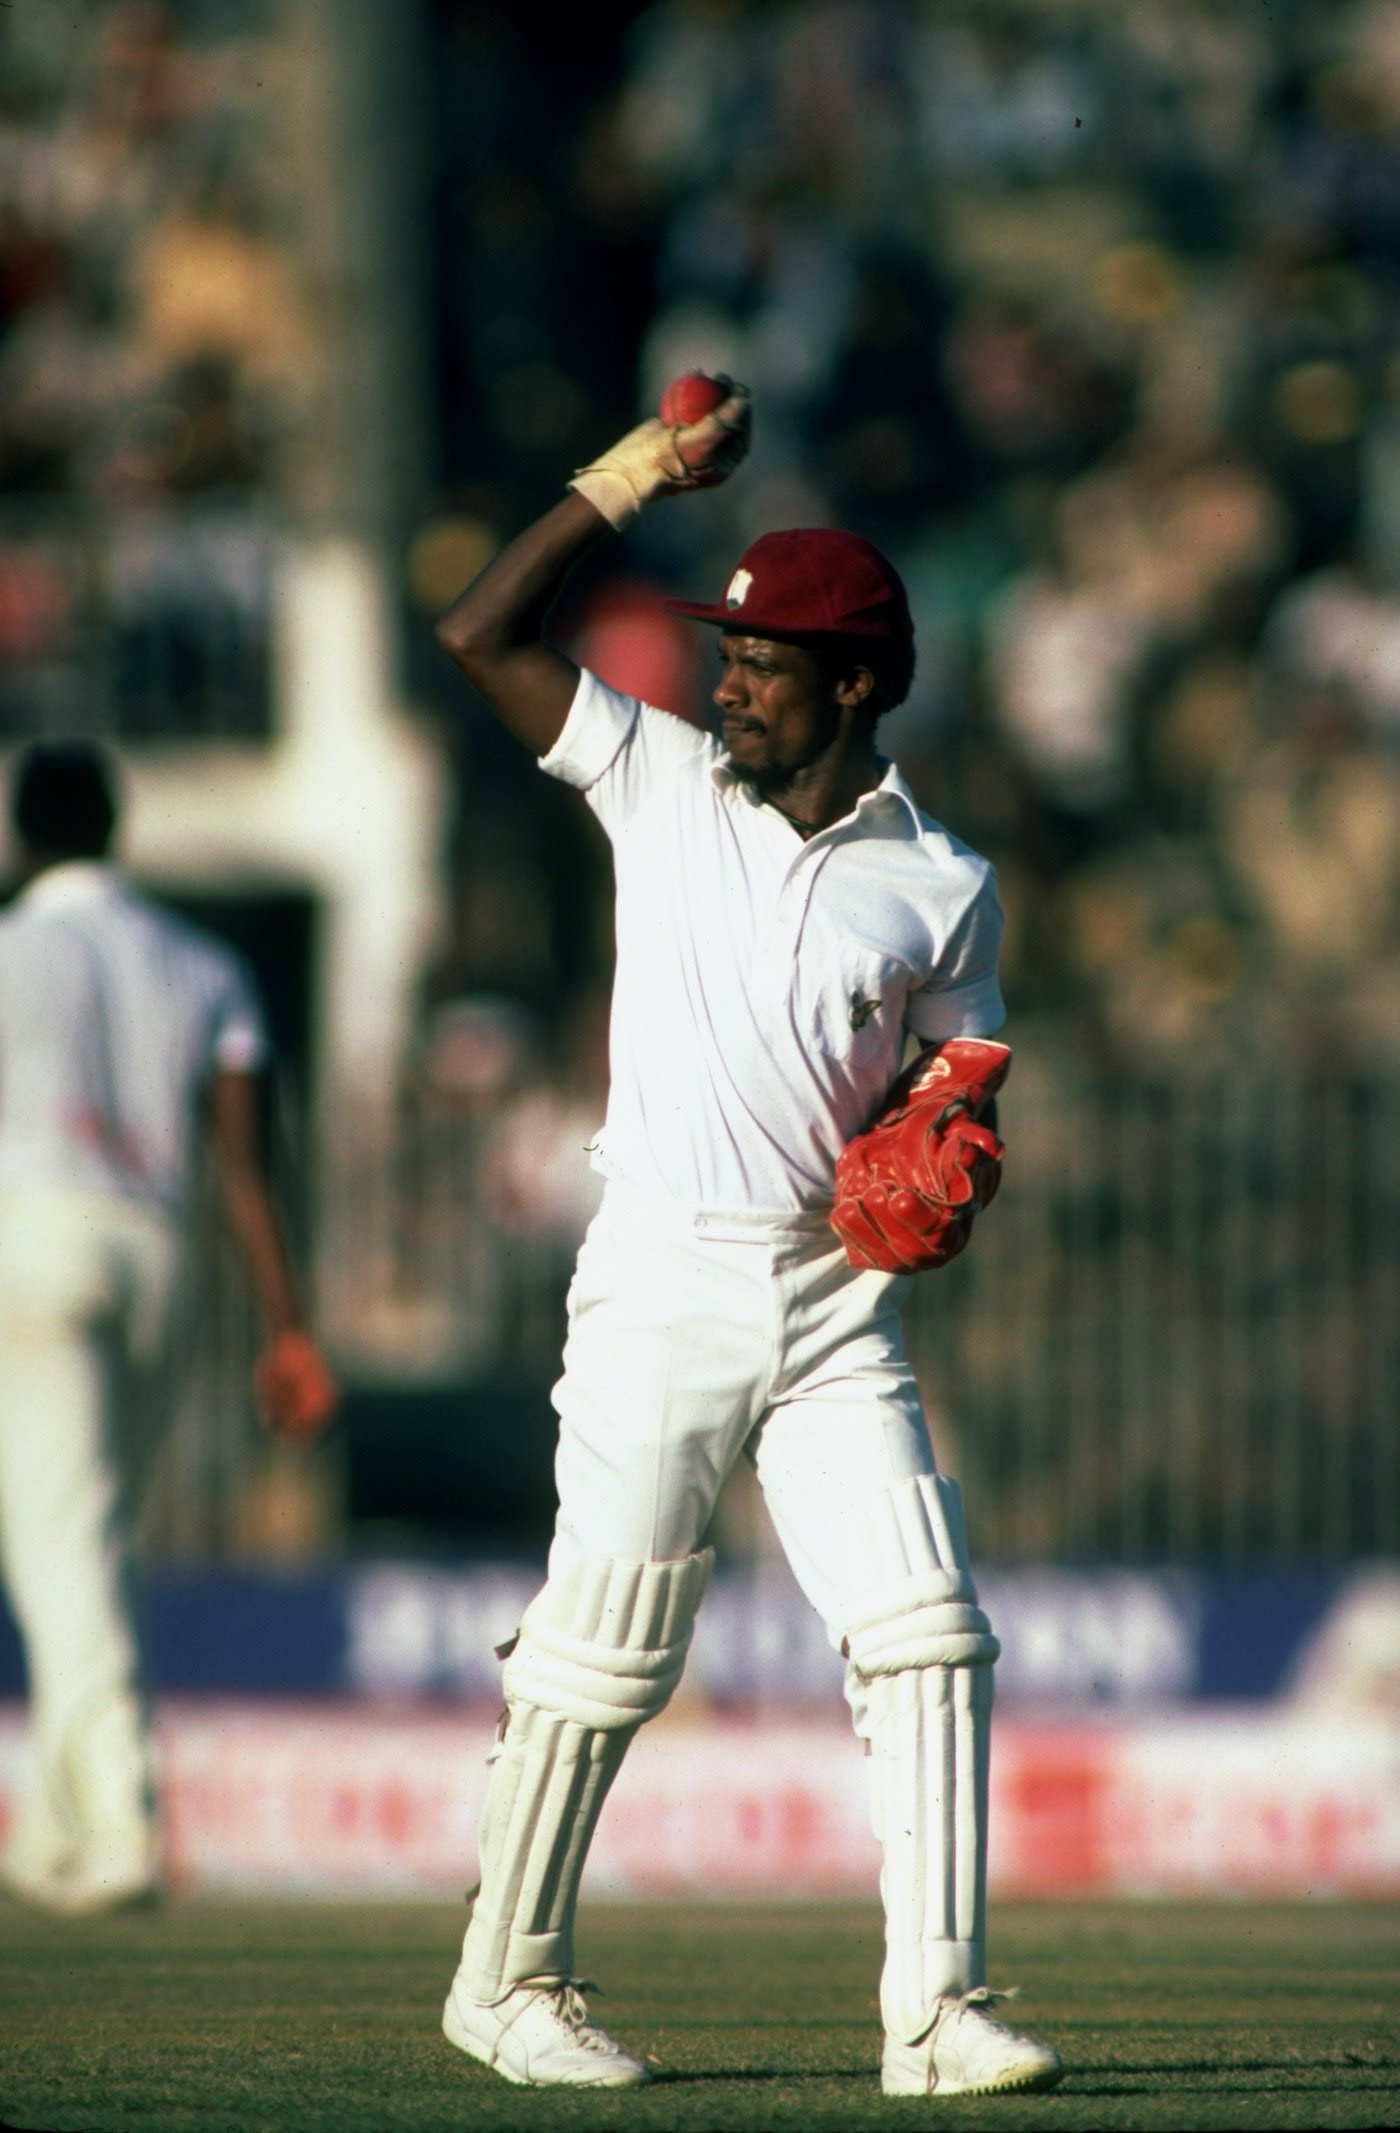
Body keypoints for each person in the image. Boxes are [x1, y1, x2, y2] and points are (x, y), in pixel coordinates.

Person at [432, 384, 1064, 2098]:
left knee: (928, 1629)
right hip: (664, 1268)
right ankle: (506, 1982)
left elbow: (958, 1080)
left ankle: (934, 2014)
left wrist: (953, 1151)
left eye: (764, 662)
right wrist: (636, 470)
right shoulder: (658, 780)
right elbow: (480, 630)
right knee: (607, 1641)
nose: (728, 682)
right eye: (726, 655)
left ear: (853, 683)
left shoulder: (942, 880)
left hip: (835, 1296)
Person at [0, 740, 338, 1915]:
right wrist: (287, 1326)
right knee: (94, 1539)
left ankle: (123, 1824)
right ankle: (52, 1828)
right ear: (114, 829)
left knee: (62, 1544)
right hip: (157, 1250)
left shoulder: (12, 948)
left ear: (22, 836)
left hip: (34, 1235)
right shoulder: (198, 964)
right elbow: (245, 1164)